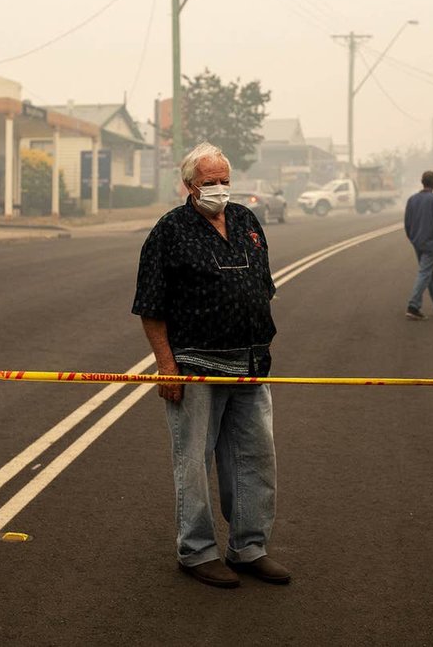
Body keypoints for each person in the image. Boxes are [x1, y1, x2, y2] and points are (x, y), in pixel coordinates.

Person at [132, 142, 290, 589]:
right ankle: (197, 551)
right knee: (194, 462)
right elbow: (151, 306)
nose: (219, 190)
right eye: (209, 183)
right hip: (198, 365)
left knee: (255, 458)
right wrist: (167, 366)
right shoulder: (170, 231)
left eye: (225, 181)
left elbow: (264, 283)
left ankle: (249, 547)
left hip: (252, 364)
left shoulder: (246, 221)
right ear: (188, 186)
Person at [404, 170, 433, 320]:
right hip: (431, 243)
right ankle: (413, 305)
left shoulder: (412, 200)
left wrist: (413, 237)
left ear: (422, 181)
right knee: (425, 272)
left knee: (428, 271)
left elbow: (407, 223)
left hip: (417, 241)